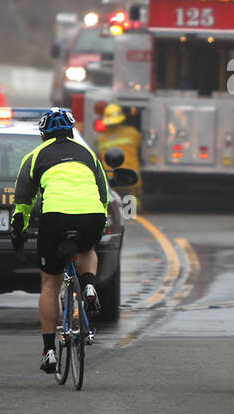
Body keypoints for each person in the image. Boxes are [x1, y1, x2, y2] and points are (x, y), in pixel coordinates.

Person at [11, 107, 110, 373]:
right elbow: (103, 193)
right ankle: (89, 286)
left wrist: (17, 227)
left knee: (50, 284)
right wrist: (102, 216)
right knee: (88, 248)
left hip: (55, 216)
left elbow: (23, 199)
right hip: (91, 213)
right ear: (71, 130)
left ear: (43, 134)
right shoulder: (88, 153)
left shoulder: (34, 157)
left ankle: (49, 351)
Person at [97, 104, 142, 208]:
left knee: (113, 208)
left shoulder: (102, 138)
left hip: (112, 182)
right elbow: (141, 147)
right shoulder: (132, 133)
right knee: (133, 208)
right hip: (132, 181)